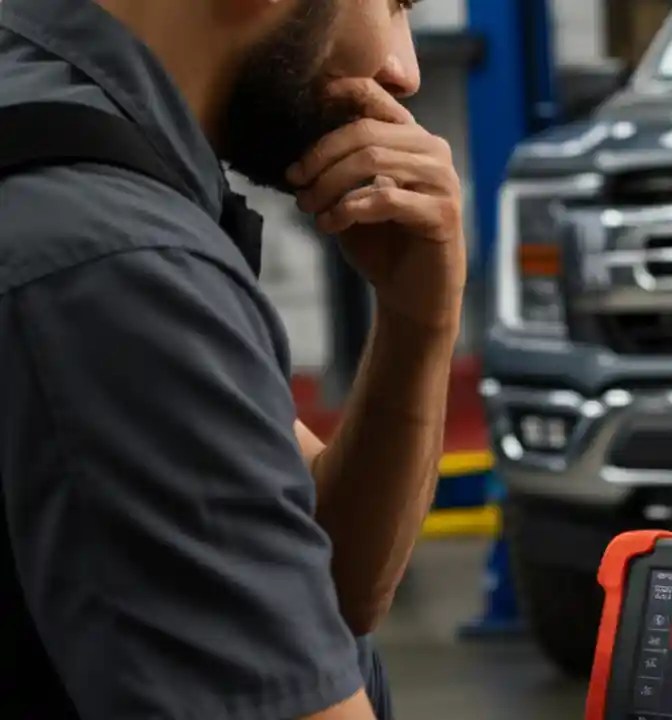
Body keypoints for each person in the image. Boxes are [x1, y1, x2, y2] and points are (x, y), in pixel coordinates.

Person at [0, 0, 464, 718]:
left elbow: (330, 581)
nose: (403, 72)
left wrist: (418, 320)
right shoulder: (119, 266)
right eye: (393, 2)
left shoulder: (56, 131)